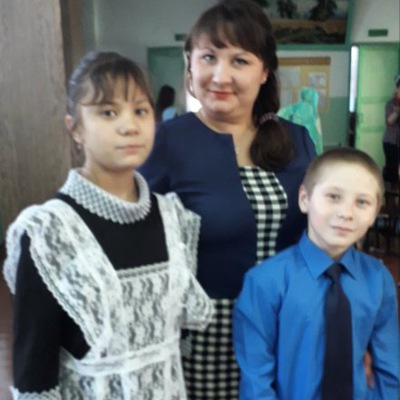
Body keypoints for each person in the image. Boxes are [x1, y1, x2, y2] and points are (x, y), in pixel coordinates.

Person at [2, 51, 213, 399]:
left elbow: (176, 338)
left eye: (140, 111)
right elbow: (34, 369)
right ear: (75, 128)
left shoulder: (172, 217)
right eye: (108, 112)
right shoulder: (49, 232)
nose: (129, 126)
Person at [140, 0, 316, 398]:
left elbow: (320, 237)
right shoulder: (168, 141)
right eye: (208, 57)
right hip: (207, 336)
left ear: (264, 71)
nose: (221, 76)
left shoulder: (297, 141)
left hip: (287, 327)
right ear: (190, 63)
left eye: (239, 60)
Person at [233, 147, 399, 399]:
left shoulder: (378, 279)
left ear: (375, 213)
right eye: (333, 196)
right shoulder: (265, 281)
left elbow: (389, 368)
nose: (346, 213)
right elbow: (256, 380)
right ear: (305, 199)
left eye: (362, 202)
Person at [278, 86, 324, 154]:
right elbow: (318, 132)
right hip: (311, 141)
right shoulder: (313, 111)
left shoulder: (294, 108)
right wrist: (320, 151)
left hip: (295, 139)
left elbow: (280, 116)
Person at [382, 74, 400, 184]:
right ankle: (389, 189)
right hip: (391, 141)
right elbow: (389, 121)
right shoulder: (391, 103)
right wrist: (397, 110)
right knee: (391, 169)